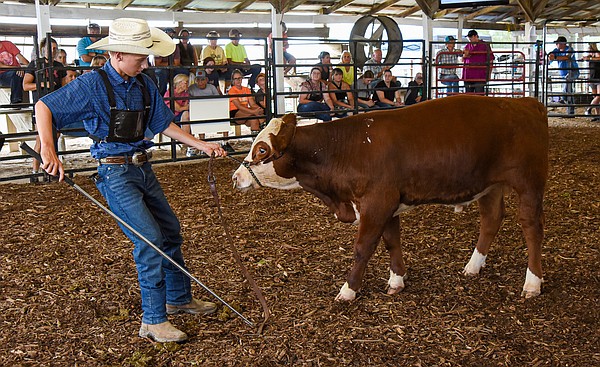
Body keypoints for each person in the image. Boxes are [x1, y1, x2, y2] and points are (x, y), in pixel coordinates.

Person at [35, 18, 225, 343]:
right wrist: (49, 151)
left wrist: (202, 144)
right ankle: (153, 320)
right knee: (149, 240)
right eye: (141, 56)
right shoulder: (92, 84)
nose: (146, 62)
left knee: (170, 232)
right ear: (120, 54)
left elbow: (165, 124)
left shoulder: (143, 83)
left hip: (143, 168)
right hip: (114, 172)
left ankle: (179, 299)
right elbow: (44, 107)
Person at [23, 37, 67, 182]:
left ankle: (52, 169)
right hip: (41, 105)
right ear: (42, 49)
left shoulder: (59, 66)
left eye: (55, 48)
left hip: (57, 106)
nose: (53, 51)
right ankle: (35, 171)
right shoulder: (35, 65)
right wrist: (42, 84)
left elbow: (63, 86)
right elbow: (26, 85)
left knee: (55, 136)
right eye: (50, 48)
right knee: (41, 139)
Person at [548, 36, 580, 116]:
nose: (556, 44)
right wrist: (550, 57)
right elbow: (550, 56)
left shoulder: (569, 49)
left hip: (572, 71)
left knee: (567, 88)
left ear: (563, 43)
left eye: (558, 43)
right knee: (568, 90)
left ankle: (564, 100)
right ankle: (570, 110)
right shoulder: (557, 50)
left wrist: (555, 57)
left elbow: (566, 57)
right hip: (564, 73)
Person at [164, 73, 193, 156]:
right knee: (186, 115)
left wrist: (183, 107)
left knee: (187, 115)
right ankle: (186, 143)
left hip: (181, 115)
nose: (188, 84)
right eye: (186, 82)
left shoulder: (185, 94)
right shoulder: (170, 93)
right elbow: (178, 108)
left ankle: (186, 144)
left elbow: (186, 107)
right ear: (179, 83)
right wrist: (183, 107)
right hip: (171, 116)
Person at [462, 29, 494, 95]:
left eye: (471, 37)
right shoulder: (467, 46)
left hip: (480, 75)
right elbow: (462, 58)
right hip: (468, 75)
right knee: (469, 96)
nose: (470, 39)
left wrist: (489, 74)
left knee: (479, 95)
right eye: (469, 37)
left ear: (476, 36)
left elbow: (490, 60)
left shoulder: (485, 45)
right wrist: (464, 55)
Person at [0, 39, 29, 105]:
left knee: (30, 74)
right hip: (2, 75)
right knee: (16, 74)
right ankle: (15, 101)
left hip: (16, 71)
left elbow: (21, 57)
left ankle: (38, 102)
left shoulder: (8, 44)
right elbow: (1, 66)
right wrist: (16, 68)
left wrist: (29, 67)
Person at [153, 27, 181, 96]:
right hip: (161, 69)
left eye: (172, 34)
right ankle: (162, 95)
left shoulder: (175, 47)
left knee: (183, 71)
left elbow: (177, 63)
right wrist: (171, 64)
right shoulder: (159, 46)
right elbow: (157, 64)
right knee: (162, 73)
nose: (171, 36)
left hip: (171, 68)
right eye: (169, 34)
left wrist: (169, 64)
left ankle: (179, 94)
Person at [583, 42, 600, 122]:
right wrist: (588, 78)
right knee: (596, 97)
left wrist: (589, 58)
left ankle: (589, 108)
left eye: (589, 48)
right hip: (592, 78)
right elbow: (590, 68)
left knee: (598, 96)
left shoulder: (597, 54)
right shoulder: (590, 56)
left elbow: (599, 58)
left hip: (598, 78)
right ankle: (597, 115)